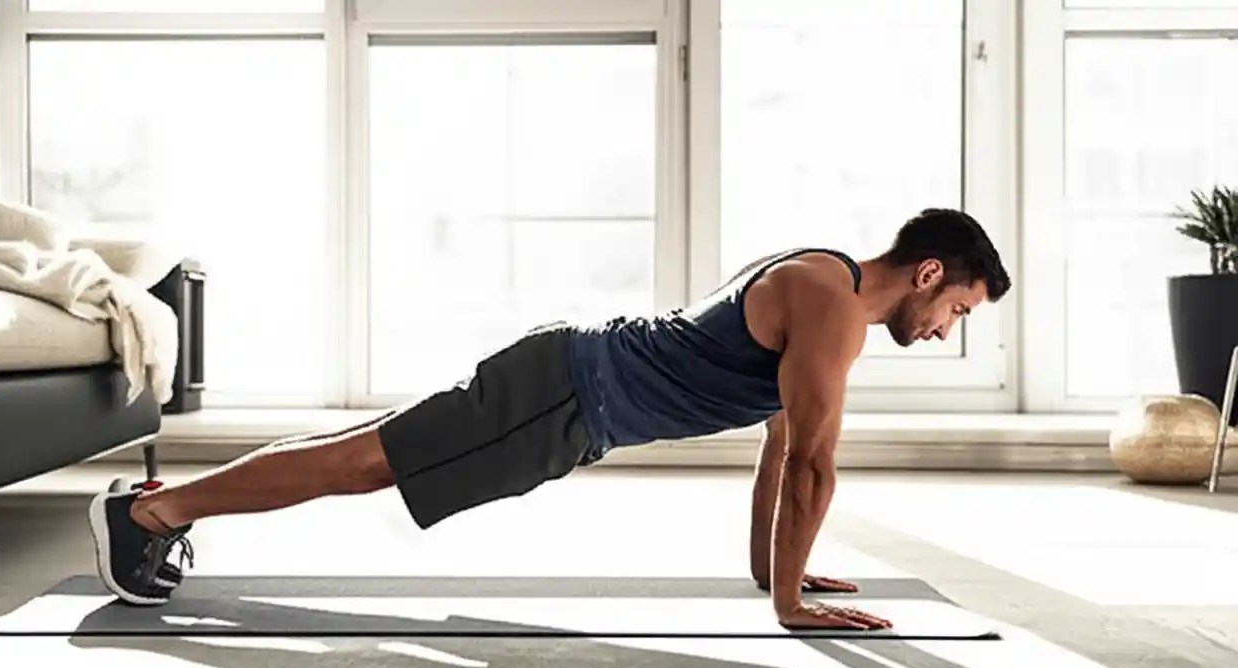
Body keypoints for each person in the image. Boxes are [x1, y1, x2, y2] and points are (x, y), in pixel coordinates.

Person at [88, 207, 1011, 630]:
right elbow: (812, 464)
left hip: (566, 380)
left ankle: (159, 503)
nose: (944, 331)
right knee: (363, 464)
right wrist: (789, 609)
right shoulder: (832, 304)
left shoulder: (823, 282)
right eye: (958, 310)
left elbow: (780, 452)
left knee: (361, 452)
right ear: (929, 273)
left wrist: (787, 575)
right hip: (565, 395)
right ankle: (149, 518)